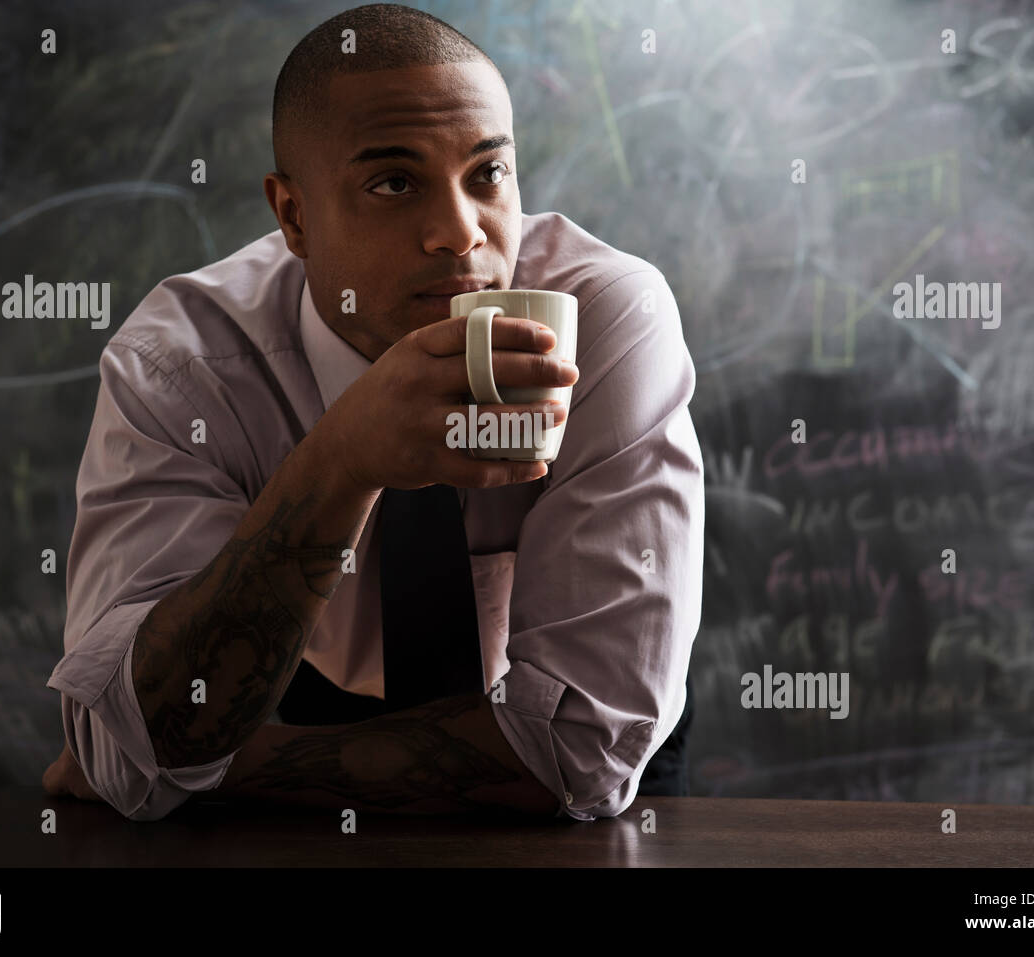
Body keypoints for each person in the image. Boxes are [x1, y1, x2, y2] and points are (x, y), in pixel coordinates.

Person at [42, 3, 703, 823]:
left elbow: (585, 756)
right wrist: (341, 459)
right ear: (294, 217)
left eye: (488, 175)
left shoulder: (603, 322)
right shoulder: (181, 365)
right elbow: (131, 730)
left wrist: (212, 771)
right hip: (301, 692)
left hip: (573, 749)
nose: (461, 235)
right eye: (394, 183)